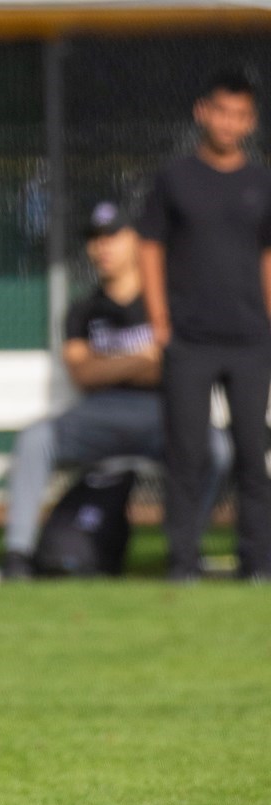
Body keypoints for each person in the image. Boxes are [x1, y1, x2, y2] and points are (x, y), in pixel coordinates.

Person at [3, 203, 229, 580]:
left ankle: (183, 551)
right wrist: (142, 358)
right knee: (34, 438)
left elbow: (176, 364)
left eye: (112, 237)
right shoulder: (83, 309)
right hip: (98, 417)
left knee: (219, 448)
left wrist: (112, 363)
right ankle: (17, 557)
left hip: (163, 415)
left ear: (136, 241)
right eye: (94, 239)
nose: (101, 247)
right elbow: (83, 373)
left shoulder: (168, 300)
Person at [139, 70, 271, 582]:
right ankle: (183, 562)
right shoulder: (175, 178)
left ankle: (257, 561)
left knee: (252, 454)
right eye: (222, 111)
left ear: (251, 120)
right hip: (189, 340)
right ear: (203, 112)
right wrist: (159, 322)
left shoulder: (261, 183)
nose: (229, 122)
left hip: (249, 341)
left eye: (240, 114)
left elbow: (266, 254)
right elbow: (150, 245)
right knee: (187, 456)